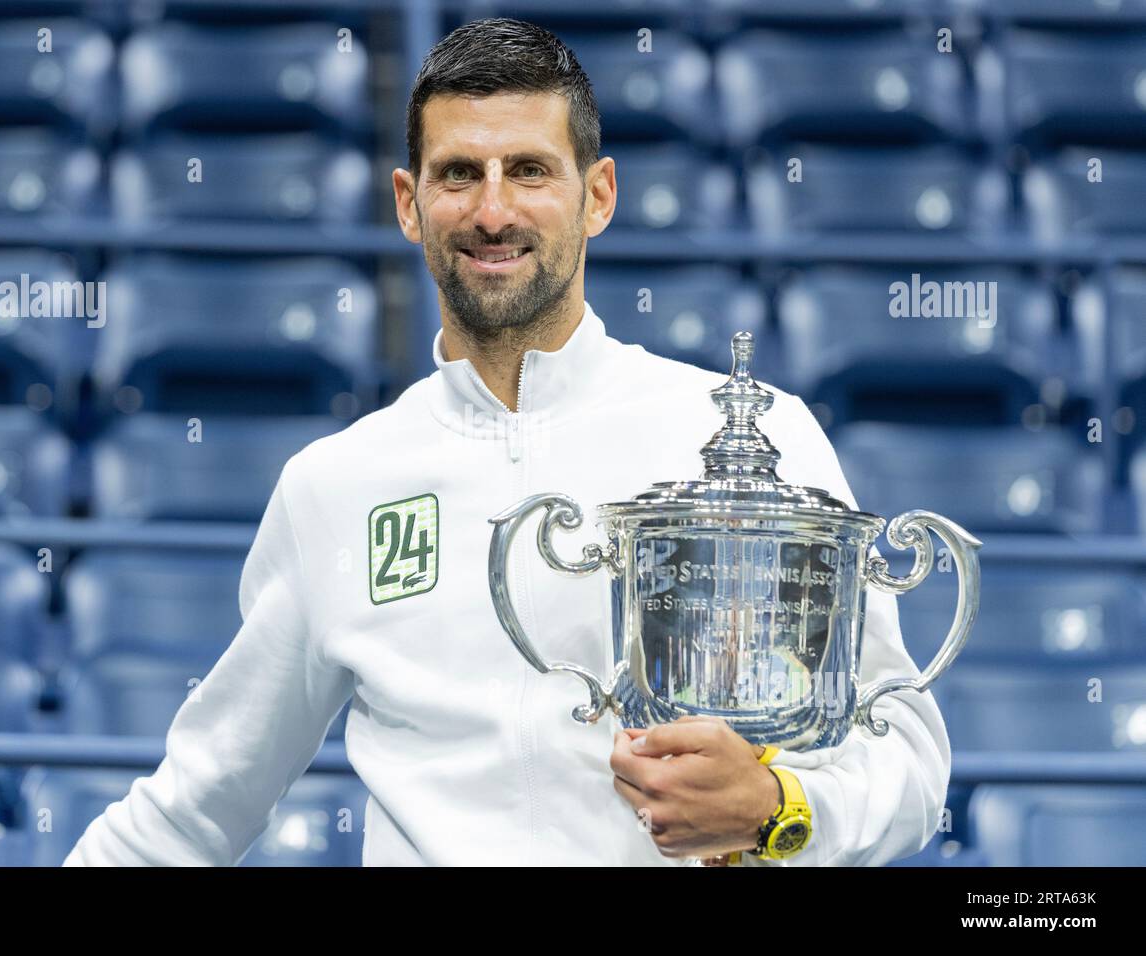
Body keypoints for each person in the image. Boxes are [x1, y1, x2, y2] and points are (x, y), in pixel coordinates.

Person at [64, 17, 949, 867]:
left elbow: (906, 761)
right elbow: (199, 802)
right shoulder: (334, 486)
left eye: (529, 169)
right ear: (409, 204)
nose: (493, 212)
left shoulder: (750, 431)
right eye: (458, 174)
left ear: (597, 194)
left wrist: (779, 812)